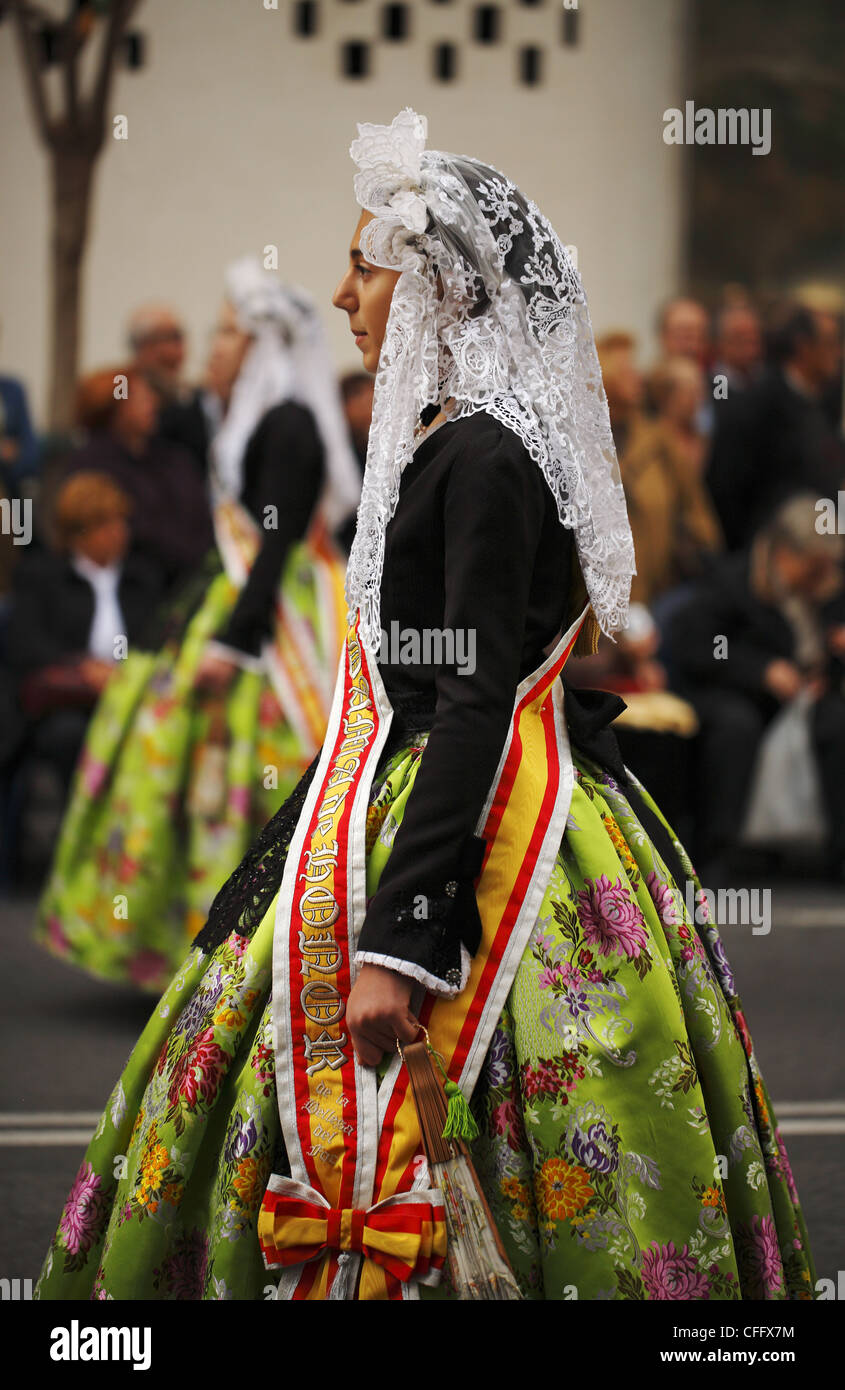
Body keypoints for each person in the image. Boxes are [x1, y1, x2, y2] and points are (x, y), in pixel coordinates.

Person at [36, 108, 815, 1303]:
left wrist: (402, 938)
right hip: (426, 788)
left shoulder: (488, 456)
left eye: (366, 265)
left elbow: (473, 702)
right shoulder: (460, 439)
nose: (345, 292)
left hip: (472, 820)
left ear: (441, 286)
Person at [35, 259, 359, 992]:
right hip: (238, 604)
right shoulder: (259, 416)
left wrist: (232, 645)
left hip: (269, 626)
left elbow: (274, 546)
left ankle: (257, 952)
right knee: (187, 774)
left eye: (225, 334)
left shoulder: (288, 423)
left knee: (245, 778)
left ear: (262, 345)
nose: (213, 348)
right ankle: (201, 947)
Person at [671, 493, 845, 883]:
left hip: (802, 700)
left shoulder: (823, 592)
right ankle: (718, 853)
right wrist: (761, 670)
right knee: (736, 726)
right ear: (785, 553)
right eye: (813, 569)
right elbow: (701, 646)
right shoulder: (731, 583)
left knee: (836, 721)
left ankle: (836, 853)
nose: (821, 580)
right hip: (733, 694)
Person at [6, 472, 162, 796]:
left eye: (121, 522)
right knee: (69, 736)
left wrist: (126, 675)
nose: (119, 533)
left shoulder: (142, 579)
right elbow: (25, 646)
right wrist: (84, 669)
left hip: (134, 697)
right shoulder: (44, 579)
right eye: (106, 524)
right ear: (79, 532)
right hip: (71, 705)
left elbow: (161, 640)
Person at [62, 366, 215, 596]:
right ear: (114, 407)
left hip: (192, 581)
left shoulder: (175, 458)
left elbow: (201, 515)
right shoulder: (90, 465)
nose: (152, 403)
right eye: (139, 398)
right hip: (129, 590)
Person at [707, 305, 845, 551]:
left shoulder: (821, 401)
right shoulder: (755, 407)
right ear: (804, 346)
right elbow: (731, 493)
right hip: (775, 559)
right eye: (831, 343)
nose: (838, 353)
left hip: (820, 552)